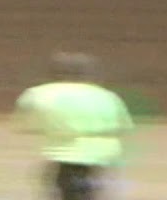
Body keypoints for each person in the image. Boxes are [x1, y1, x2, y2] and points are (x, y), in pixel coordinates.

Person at [13, 52, 135, 200]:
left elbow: (25, 125)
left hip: (63, 154)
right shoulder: (107, 96)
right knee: (86, 187)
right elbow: (123, 127)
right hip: (101, 156)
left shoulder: (38, 94)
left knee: (62, 185)